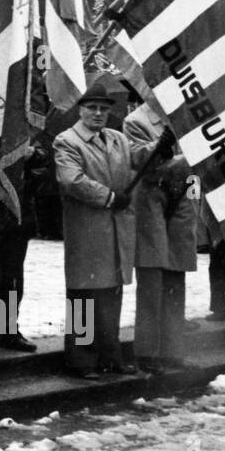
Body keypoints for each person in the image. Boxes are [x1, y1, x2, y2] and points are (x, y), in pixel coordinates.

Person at [54, 82, 168, 379]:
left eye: (104, 109)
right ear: (81, 109)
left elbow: (139, 156)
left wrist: (160, 147)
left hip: (116, 231)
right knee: (83, 294)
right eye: (92, 108)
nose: (98, 113)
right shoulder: (67, 141)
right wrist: (109, 197)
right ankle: (80, 360)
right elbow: (71, 180)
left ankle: (109, 355)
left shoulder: (117, 138)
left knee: (110, 294)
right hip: (87, 231)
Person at [124, 101, 195, 373]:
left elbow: (200, 165)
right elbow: (137, 160)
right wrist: (158, 149)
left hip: (183, 197)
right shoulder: (136, 120)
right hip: (151, 197)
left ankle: (173, 350)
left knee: (177, 277)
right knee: (152, 278)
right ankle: (147, 352)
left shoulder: (186, 114)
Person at [0, 139, 47, 353]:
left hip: (17, 218)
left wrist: (32, 155)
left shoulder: (20, 127)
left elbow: (42, 164)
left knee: (11, 280)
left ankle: (8, 331)